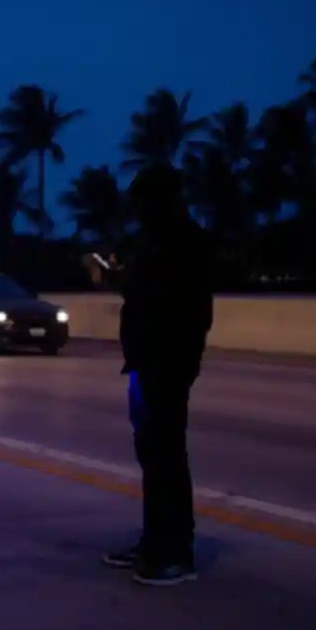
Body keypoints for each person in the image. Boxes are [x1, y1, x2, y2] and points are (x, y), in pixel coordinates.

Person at [102, 164, 214, 586]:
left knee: (166, 454)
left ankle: (175, 552)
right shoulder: (156, 242)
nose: (139, 211)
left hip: (167, 363)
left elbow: (185, 308)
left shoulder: (183, 243)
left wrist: (175, 360)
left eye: (145, 201)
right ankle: (154, 540)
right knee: (152, 453)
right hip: (147, 361)